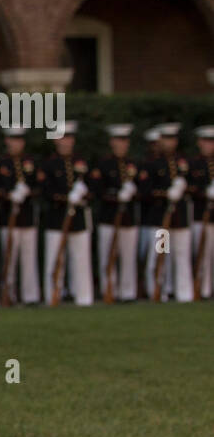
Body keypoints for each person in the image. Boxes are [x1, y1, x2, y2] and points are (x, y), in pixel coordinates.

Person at [38, 122, 93, 306]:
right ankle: (53, 295)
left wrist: (84, 193)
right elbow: (45, 192)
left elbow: (94, 188)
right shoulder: (49, 164)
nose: (66, 142)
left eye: (68, 137)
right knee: (54, 259)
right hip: (57, 218)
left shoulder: (82, 162)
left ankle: (84, 297)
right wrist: (66, 198)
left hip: (78, 218)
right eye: (62, 137)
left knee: (81, 260)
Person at [138, 122, 193, 303]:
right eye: (166, 139)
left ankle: (185, 294)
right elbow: (145, 191)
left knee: (182, 257)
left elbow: (194, 186)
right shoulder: (152, 164)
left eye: (172, 139)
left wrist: (184, 188)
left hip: (180, 218)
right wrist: (166, 193)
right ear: (160, 140)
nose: (169, 143)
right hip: (161, 218)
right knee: (159, 257)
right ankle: (157, 291)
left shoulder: (183, 162)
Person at [90, 123, 140, 303]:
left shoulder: (133, 164)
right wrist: (115, 195)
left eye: (125, 141)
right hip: (109, 218)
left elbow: (144, 190)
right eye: (119, 140)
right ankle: (109, 290)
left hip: (128, 219)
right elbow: (98, 191)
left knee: (128, 257)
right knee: (107, 256)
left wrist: (133, 192)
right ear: (112, 142)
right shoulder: (103, 164)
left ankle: (128, 292)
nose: (122, 144)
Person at [0, 127, 40, 305]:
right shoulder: (1, 163)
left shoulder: (30, 162)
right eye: (13, 140)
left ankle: (30, 296)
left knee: (29, 259)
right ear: (7, 141)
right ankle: (8, 294)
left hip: (27, 218)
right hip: (8, 218)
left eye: (19, 140)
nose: (16, 144)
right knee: (9, 259)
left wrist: (28, 192)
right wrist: (8, 194)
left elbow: (40, 187)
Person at [191, 126, 214, 299]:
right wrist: (204, 192)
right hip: (200, 216)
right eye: (206, 141)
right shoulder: (194, 164)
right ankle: (204, 289)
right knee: (202, 254)